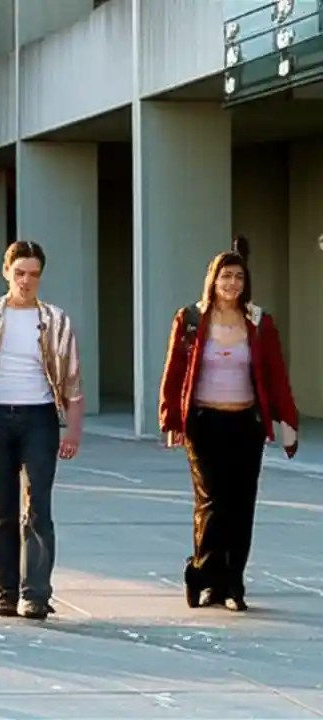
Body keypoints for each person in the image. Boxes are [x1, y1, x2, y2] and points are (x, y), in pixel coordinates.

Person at [159, 238, 298, 612]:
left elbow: (276, 375)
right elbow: (174, 373)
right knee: (212, 503)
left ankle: (232, 584)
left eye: (238, 276)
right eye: (225, 276)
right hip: (204, 423)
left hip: (245, 424)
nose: (232, 283)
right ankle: (203, 577)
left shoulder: (258, 320)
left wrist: (288, 420)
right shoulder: (190, 318)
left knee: (241, 504)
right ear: (213, 280)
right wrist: (170, 418)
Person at [0, 240, 84, 621]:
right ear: (6, 272)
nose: (26, 281)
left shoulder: (56, 320)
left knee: (39, 507)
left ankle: (36, 594)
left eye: (34, 274)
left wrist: (72, 431)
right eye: (20, 273)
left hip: (40, 418)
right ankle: (7, 591)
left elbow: (73, 380)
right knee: (2, 509)